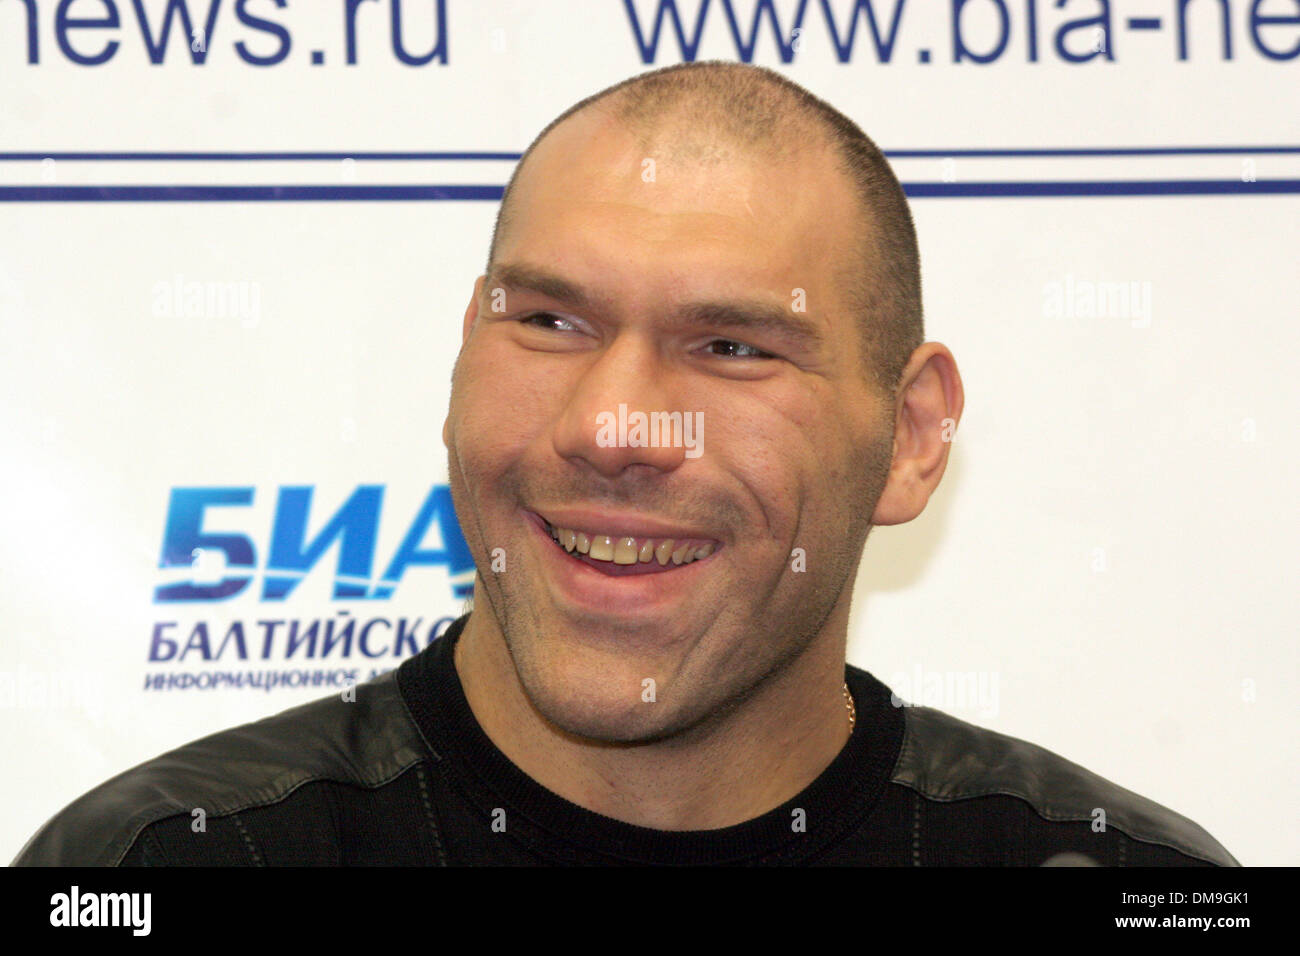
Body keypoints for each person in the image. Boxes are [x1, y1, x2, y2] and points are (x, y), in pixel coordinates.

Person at [14, 61, 1237, 867]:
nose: (614, 427)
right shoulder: (157, 865)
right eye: (548, 323)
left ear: (911, 436)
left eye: (731, 346)